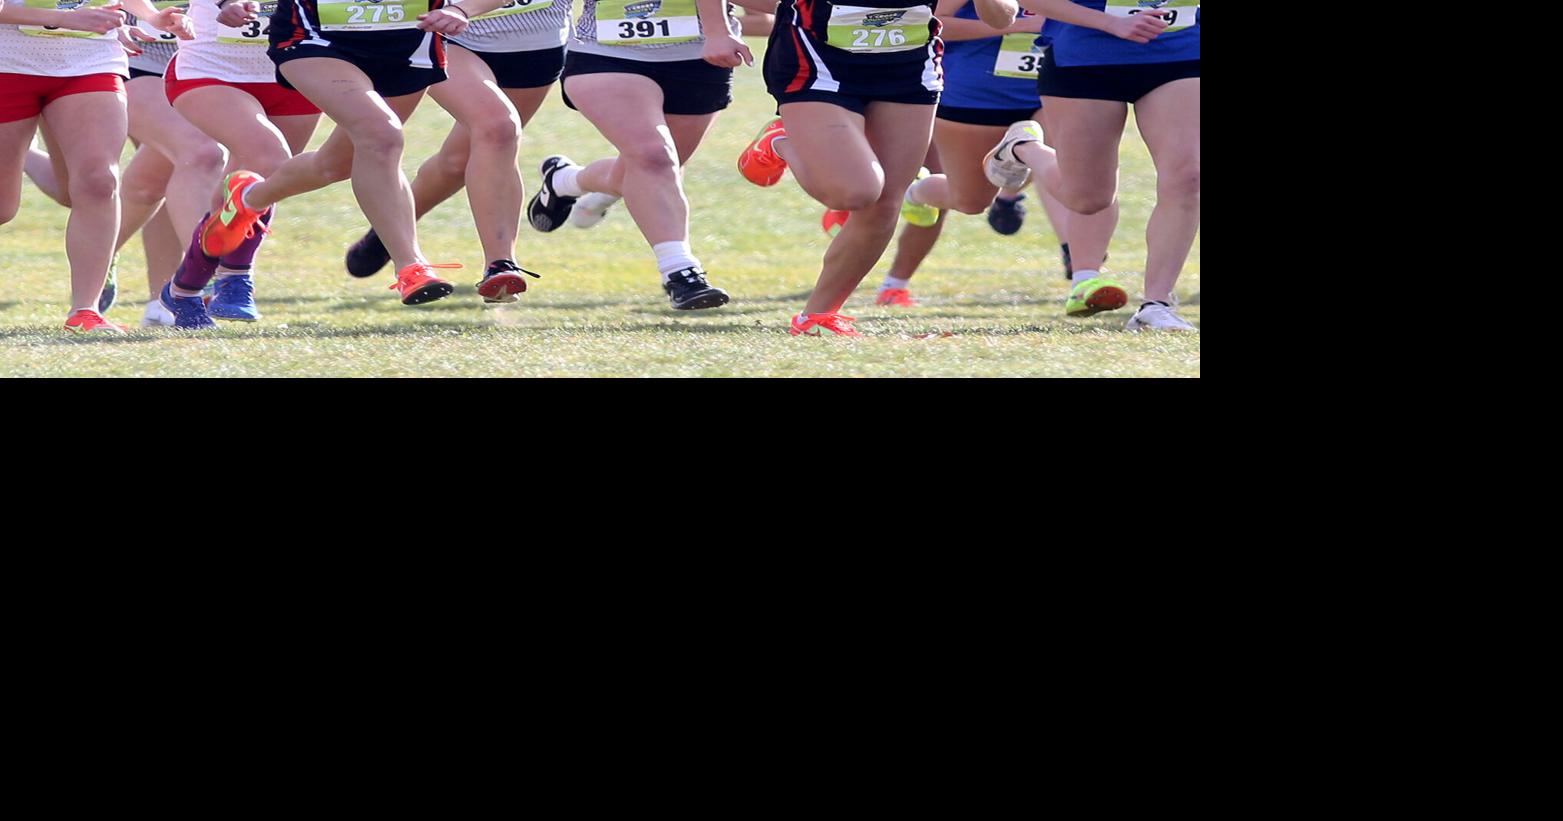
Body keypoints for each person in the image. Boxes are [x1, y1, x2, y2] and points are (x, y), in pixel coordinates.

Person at [184, 0, 521, 322]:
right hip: (314, 39)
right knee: (383, 135)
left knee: (336, 164)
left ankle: (250, 197)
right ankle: (411, 266)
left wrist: (462, 8)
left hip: (407, 46)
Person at [883, 0, 1119, 311]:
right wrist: (1019, 25)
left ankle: (1083, 273)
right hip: (977, 95)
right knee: (970, 200)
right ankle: (919, 192)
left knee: (1075, 170)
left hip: (1057, 84)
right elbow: (932, 25)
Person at [983, 0, 1198, 331]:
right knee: (1088, 198)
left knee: (1189, 176)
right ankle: (1024, 149)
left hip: (1180, 51)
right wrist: (1110, 23)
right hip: (1084, 57)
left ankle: (1156, 305)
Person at [735, 0, 946, 337]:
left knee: (885, 205)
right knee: (855, 191)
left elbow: (1000, 15)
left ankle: (816, 316)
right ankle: (783, 142)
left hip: (908, 65)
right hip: (816, 56)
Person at [343, 0, 571, 304]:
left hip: (537, 39)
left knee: (457, 163)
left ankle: (389, 231)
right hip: (444, 31)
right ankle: (500, 265)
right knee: (498, 127)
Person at [524, 0, 742, 310]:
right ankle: (680, 271)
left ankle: (566, 180)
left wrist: (719, 26)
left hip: (700, 57)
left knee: (653, 171)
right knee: (653, 157)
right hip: (606, 51)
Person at [0, 0, 193, 333]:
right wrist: (65, 19)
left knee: (99, 182)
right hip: (8, 62)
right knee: (3, 208)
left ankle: (85, 312)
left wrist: (150, 16)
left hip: (91, 60)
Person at [155, 0, 326, 328]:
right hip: (211, 68)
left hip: (295, 70)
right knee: (272, 160)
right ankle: (236, 276)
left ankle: (185, 289)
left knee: (258, 181)